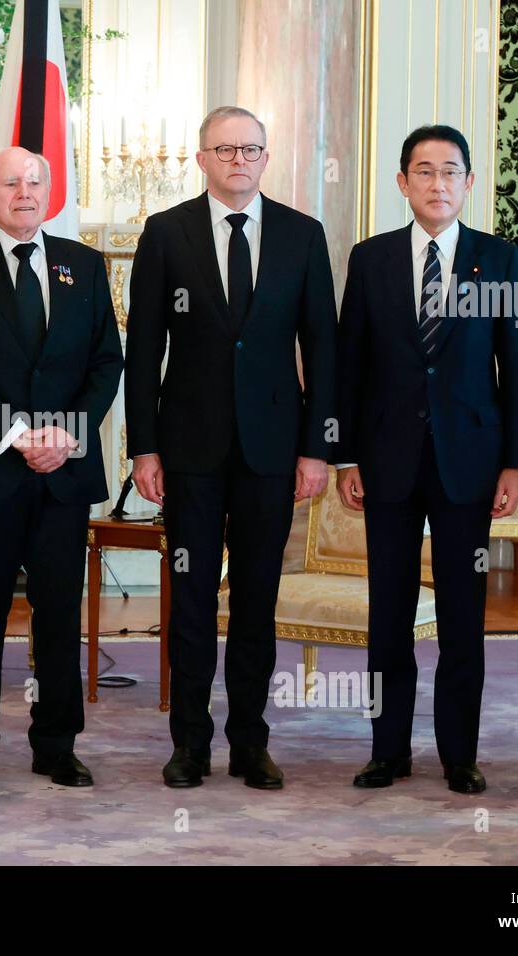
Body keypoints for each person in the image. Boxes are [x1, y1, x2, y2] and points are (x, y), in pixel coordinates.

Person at [125, 106, 337, 789]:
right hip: (188, 450)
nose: (238, 160)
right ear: (202, 159)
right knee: (190, 601)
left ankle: (250, 742)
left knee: (255, 601)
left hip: (272, 452)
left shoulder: (303, 235)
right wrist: (144, 449)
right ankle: (190, 744)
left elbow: (323, 351)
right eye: (225, 150)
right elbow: (143, 350)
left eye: (250, 149)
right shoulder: (166, 233)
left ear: (266, 159)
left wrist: (317, 449)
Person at [336, 124, 518, 794]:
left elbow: (516, 369)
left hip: (469, 464)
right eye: (424, 171)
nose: (437, 183)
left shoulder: (498, 260)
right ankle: (387, 751)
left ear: (469, 183)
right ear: (402, 182)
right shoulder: (371, 260)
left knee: (461, 618)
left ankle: (459, 755)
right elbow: (350, 365)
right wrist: (345, 457)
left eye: (450, 171)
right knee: (388, 615)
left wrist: (515, 463)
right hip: (387, 462)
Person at [0, 147, 123, 790]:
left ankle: (57, 745)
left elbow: (106, 362)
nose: (25, 192)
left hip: (62, 471)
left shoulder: (84, 266)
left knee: (59, 611)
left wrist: (65, 433)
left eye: (36, 181)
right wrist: (14, 434)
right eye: (10, 183)